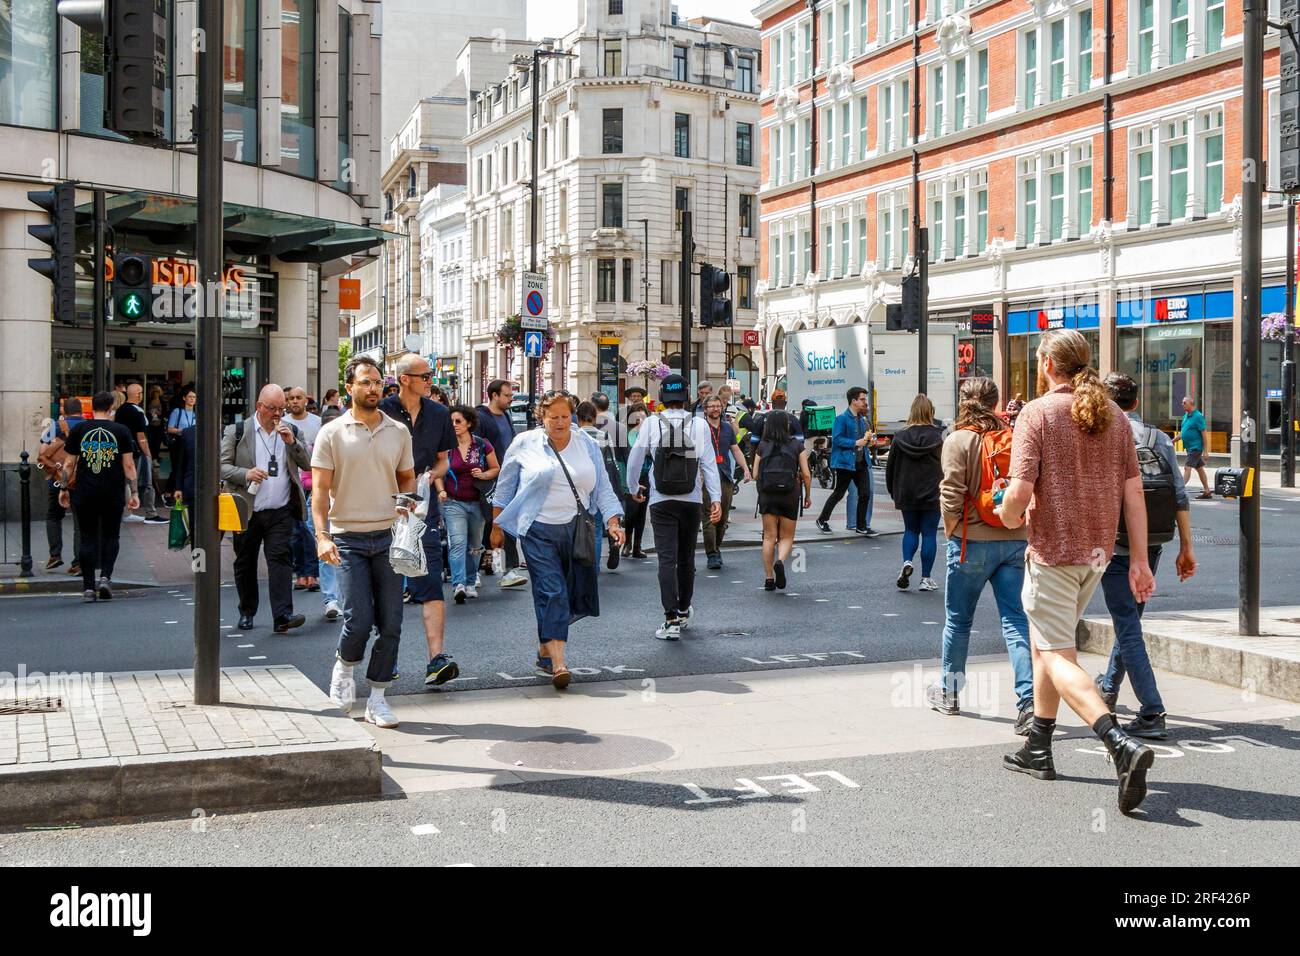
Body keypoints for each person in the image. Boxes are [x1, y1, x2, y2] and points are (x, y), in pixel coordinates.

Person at [996, 329, 1157, 815]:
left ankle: (1119, 744)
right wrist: (1142, 561)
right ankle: (1039, 746)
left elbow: (1020, 493)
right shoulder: (1115, 416)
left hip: (1053, 550)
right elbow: (1134, 494)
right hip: (1097, 554)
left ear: (1047, 363)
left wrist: (1005, 514)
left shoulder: (1038, 413)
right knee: (1052, 644)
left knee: (1058, 653)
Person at [489, 390, 625, 689]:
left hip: (576, 528)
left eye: (565, 416)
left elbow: (602, 486)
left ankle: (545, 647)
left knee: (565, 593)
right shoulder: (525, 443)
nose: (560, 422)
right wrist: (497, 526)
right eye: (554, 417)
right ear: (542, 417)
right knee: (553, 591)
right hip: (537, 528)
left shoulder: (586, 444)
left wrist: (614, 521)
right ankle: (559, 662)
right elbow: (505, 485)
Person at [314, 355, 416, 728]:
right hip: (348, 537)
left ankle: (377, 697)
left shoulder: (398, 431)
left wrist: (407, 515)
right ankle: (344, 667)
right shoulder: (331, 433)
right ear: (349, 388)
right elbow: (320, 493)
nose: (373, 388)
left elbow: (407, 478)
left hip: (389, 536)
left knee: (391, 622)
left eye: (377, 382)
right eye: (365, 382)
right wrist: (322, 536)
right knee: (358, 621)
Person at [1096, 373, 1198, 740]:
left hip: (1113, 544)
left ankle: (1152, 711)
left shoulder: (1104, 435)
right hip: (1152, 541)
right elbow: (1178, 493)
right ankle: (1108, 687)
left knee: (1126, 623)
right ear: (1136, 403)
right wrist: (1186, 546)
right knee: (1130, 619)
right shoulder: (1159, 438)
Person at [931, 377, 1034, 733]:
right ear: (995, 402)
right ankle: (1028, 703)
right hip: (1013, 537)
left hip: (970, 542)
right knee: (1015, 620)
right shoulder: (1015, 436)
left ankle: (950, 693)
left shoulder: (958, 440)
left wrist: (954, 528)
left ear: (963, 401)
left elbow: (950, 492)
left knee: (959, 621)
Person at [379, 353, 457, 687]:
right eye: (425, 376)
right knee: (389, 588)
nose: (430, 381)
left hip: (423, 512)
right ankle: (387, 661)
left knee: (430, 584)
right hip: (384, 511)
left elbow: (443, 461)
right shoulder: (381, 411)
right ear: (404, 379)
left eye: (431, 375)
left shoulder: (439, 413)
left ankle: (436, 659)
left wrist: (429, 477)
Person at [626, 374, 722, 641]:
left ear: (663, 397)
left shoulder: (651, 423)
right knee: (687, 557)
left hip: (660, 500)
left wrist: (634, 487)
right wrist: (715, 499)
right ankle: (682, 609)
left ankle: (670, 620)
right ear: (686, 396)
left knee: (666, 559)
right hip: (691, 500)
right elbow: (708, 464)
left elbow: (635, 459)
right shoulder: (700, 424)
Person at [220, 384, 310, 634]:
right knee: (245, 562)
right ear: (259, 406)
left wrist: (292, 443)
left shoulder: (290, 430)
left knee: (280, 559)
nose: (278, 414)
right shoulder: (237, 431)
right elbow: (221, 466)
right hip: (247, 510)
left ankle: (282, 615)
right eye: (273, 408)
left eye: (282, 409)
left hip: (280, 509)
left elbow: (307, 463)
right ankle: (247, 611)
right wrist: (246, 473)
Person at [53, 391, 139, 602]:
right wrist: (135, 492)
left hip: (85, 491)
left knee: (87, 537)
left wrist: (63, 488)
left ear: (91, 408)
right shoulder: (121, 430)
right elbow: (128, 465)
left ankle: (88, 588)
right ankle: (105, 578)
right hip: (112, 491)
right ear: (111, 408)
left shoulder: (80, 429)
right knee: (111, 536)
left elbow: (69, 464)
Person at [436, 405, 499, 603]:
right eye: (451, 422)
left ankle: (471, 581)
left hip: (478, 502)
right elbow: (438, 471)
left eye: (458, 421)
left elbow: (496, 468)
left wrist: (483, 474)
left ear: (469, 423)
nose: (454, 425)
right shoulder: (445, 446)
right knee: (457, 543)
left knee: (474, 545)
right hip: (454, 502)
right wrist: (441, 490)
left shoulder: (481, 444)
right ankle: (459, 584)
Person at [886, 394, 945, 591]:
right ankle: (925, 578)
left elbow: (891, 467)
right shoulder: (938, 437)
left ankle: (906, 561)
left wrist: (893, 491)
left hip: (907, 492)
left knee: (910, 530)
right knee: (929, 534)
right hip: (932, 493)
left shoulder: (900, 437)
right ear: (931, 412)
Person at [475, 379, 528, 588]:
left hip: (507, 475)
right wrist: (486, 473)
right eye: (507, 395)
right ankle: (487, 568)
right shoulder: (481, 417)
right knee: (490, 523)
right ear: (494, 395)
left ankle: (503, 568)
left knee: (503, 521)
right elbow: (477, 447)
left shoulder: (505, 415)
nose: (510, 399)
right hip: (490, 477)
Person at [754, 410, 811, 591]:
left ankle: (769, 579)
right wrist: (807, 496)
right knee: (786, 537)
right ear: (786, 425)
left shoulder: (763, 446)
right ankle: (780, 561)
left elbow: (755, 474)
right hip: (789, 494)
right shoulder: (796, 445)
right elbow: (807, 474)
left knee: (769, 537)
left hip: (768, 495)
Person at [816, 386, 876, 536]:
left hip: (861, 462)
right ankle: (822, 520)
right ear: (853, 401)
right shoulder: (841, 419)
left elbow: (862, 440)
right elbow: (837, 439)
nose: (864, 402)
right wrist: (856, 442)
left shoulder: (861, 420)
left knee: (865, 493)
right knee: (839, 493)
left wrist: (868, 441)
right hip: (845, 463)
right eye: (862, 399)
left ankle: (861, 526)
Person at [701, 394, 751, 569]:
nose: (715, 409)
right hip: (705, 478)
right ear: (705, 409)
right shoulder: (700, 427)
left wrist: (745, 469)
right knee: (709, 517)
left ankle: (717, 547)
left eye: (718, 406)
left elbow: (735, 449)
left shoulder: (727, 428)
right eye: (711, 406)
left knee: (722, 519)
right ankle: (711, 554)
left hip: (724, 476)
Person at [577, 400, 625, 569]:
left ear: (578, 417)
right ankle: (595, 567)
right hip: (599, 487)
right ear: (594, 417)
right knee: (597, 531)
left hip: (580, 487)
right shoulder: (603, 436)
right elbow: (613, 463)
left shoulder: (574, 436)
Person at [38, 398, 84, 573]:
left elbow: (42, 452)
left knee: (53, 516)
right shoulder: (87, 426)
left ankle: (55, 555)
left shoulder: (55, 426)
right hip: (80, 480)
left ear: (65, 411)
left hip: (57, 477)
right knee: (80, 522)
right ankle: (78, 562)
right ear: (81, 410)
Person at [285, 386, 323, 593]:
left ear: (306, 401)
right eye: (290, 398)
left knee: (310, 530)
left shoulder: (317, 423)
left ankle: (313, 574)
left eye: (298, 397)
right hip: (292, 484)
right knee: (295, 532)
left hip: (314, 484)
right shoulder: (283, 423)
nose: (295, 401)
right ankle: (300, 574)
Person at [116, 382, 164, 523]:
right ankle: (151, 513)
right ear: (138, 395)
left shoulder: (120, 410)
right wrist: (148, 453)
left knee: (125, 481)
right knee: (147, 483)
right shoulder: (137, 412)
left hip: (123, 451)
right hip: (137, 452)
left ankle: (125, 512)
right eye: (141, 392)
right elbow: (141, 436)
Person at [620, 404, 650, 558]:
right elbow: (624, 458)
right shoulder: (626, 435)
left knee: (642, 512)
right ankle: (627, 544)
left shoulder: (651, 435)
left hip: (646, 475)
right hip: (630, 478)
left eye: (643, 417)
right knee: (631, 512)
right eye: (637, 417)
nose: (640, 421)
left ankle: (638, 546)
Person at [1178, 395, 1212, 498]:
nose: (1182, 404)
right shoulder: (1186, 416)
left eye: (1184, 403)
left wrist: (1206, 451)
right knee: (1199, 469)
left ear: (1190, 404)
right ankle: (1207, 491)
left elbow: (1204, 434)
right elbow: (1183, 433)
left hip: (1196, 447)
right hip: (1189, 448)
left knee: (1187, 468)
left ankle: (1180, 491)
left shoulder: (1198, 416)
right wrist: (1172, 441)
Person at [166, 386, 197, 497]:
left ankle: (183, 491)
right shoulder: (177, 411)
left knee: (190, 466)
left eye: (194, 397)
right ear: (184, 398)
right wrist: (185, 431)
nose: (192, 399)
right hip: (179, 442)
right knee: (177, 467)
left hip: (192, 443)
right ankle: (169, 493)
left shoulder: (196, 414)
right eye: (190, 397)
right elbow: (169, 428)